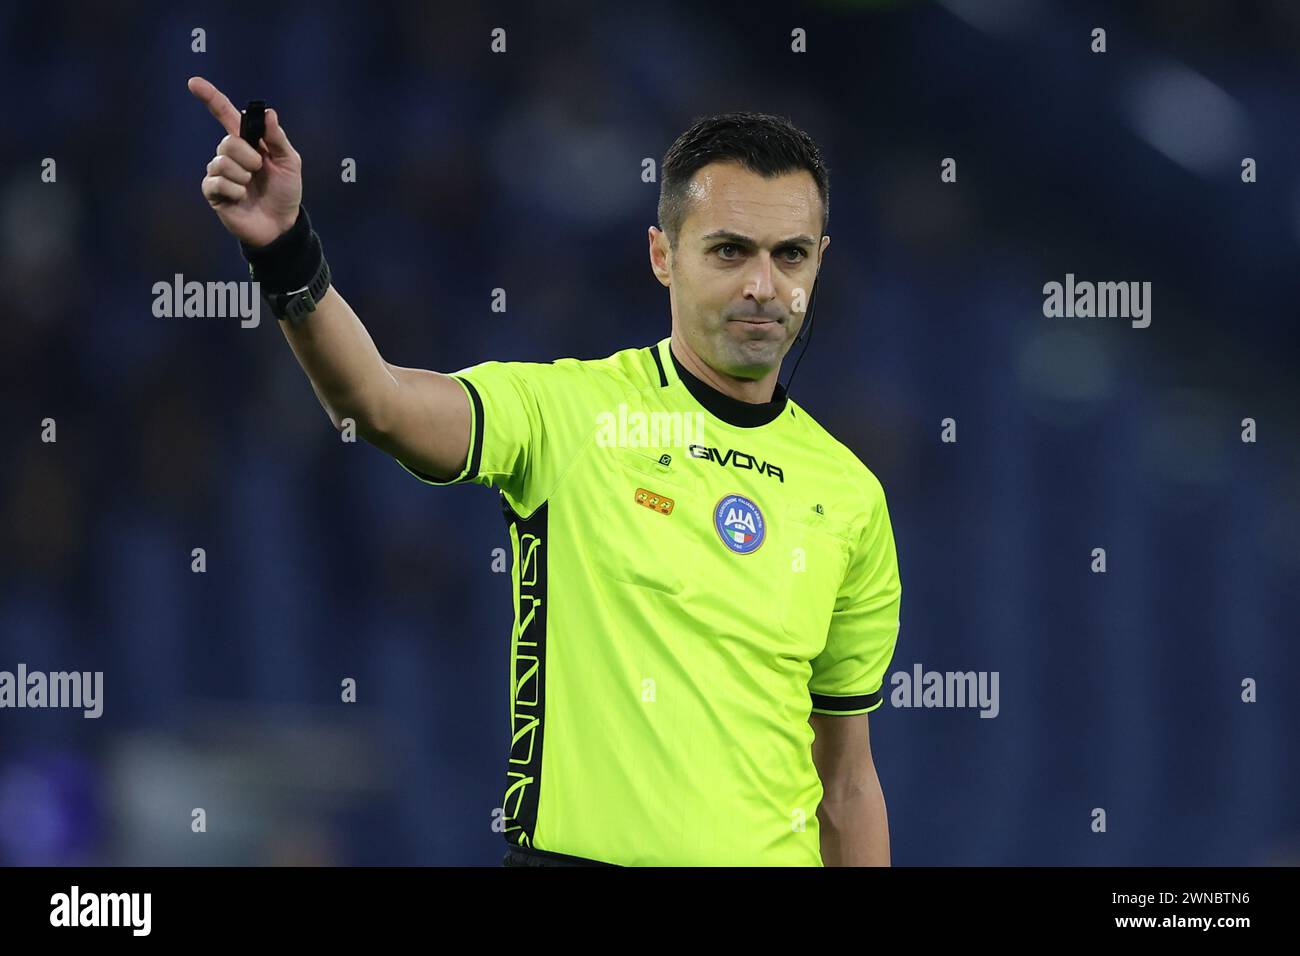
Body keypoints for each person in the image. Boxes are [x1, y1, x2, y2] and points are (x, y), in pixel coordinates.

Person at [187, 76, 902, 867]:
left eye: (790, 255)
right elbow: (377, 402)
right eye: (729, 250)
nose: (763, 285)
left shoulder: (848, 497)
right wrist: (286, 249)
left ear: (818, 263)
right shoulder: (569, 412)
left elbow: (846, 785)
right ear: (663, 255)